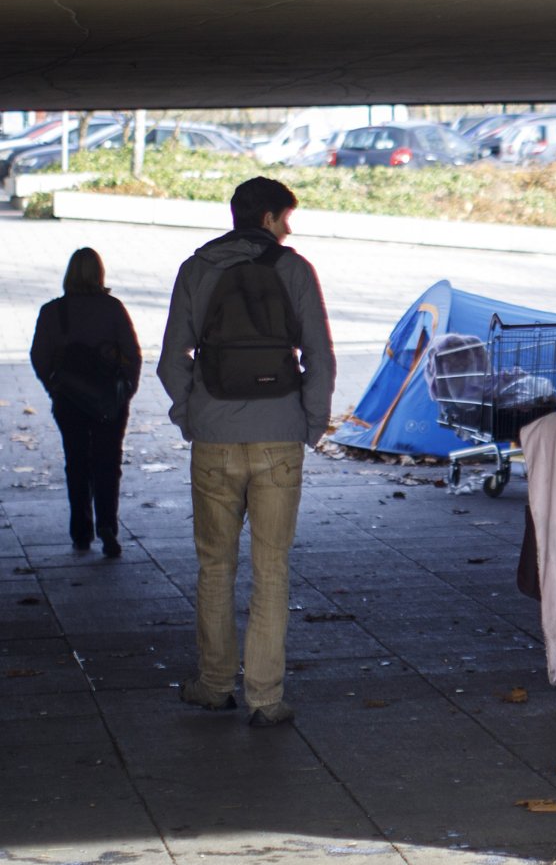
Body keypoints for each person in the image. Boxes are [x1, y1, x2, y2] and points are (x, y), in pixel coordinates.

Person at [159, 177, 335, 727]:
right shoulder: (294, 270)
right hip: (279, 437)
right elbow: (321, 358)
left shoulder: (197, 269)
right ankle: (265, 697)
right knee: (272, 568)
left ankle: (214, 685)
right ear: (266, 219)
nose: (289, 228)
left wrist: (194, 415)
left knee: (215, 566)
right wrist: (309, 424)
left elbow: (170, 360)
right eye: (285, 218)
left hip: (213, 439)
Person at [30, 248, 142, 557]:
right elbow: (132, 353)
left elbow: (39, 356)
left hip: (69, 400)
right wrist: (126, 390)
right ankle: (108, 524)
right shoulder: (113, 309)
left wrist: (55, 388)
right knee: (108, 462)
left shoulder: (53, 311)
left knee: (76, 462)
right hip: (109, 401)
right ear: (99, 274)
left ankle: (81, 530)